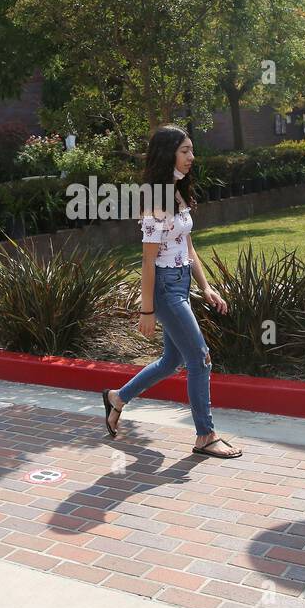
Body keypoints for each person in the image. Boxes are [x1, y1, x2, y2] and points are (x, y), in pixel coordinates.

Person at [102, 126, 239, 458]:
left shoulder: (178, 193)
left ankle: (117, 397)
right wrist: (146, 310)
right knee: (201, 358)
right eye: (185, 151)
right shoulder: (155, 200)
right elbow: (148, 262)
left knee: (171, 360)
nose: (192, 157)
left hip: (181, 282)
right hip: (165, 287)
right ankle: (205, 436)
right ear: (167, 154)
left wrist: (206, 288)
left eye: (192, 150)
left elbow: (189, 249)